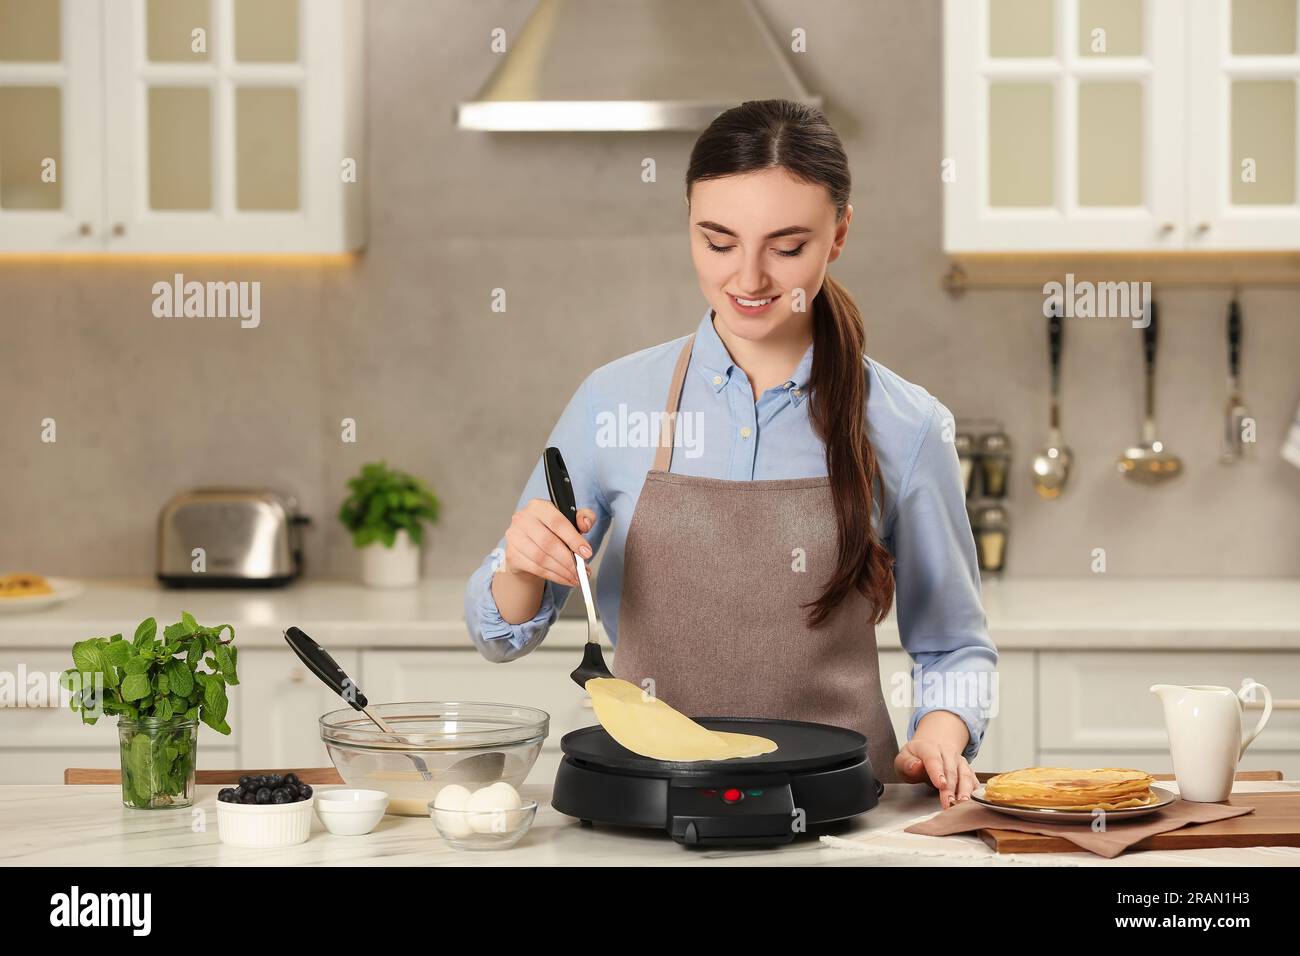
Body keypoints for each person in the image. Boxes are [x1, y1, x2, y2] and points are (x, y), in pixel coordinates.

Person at [465, 99, 997, 810]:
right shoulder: (613, 401)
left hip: (837, 818)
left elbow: (955, 647)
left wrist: (941, 730)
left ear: (838, 234)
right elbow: (499, 634)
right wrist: (523, 564)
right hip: (647, 809)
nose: (748, 278)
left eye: (786, 246)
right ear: (688, 226)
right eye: (718, 242)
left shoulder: (906, 424)